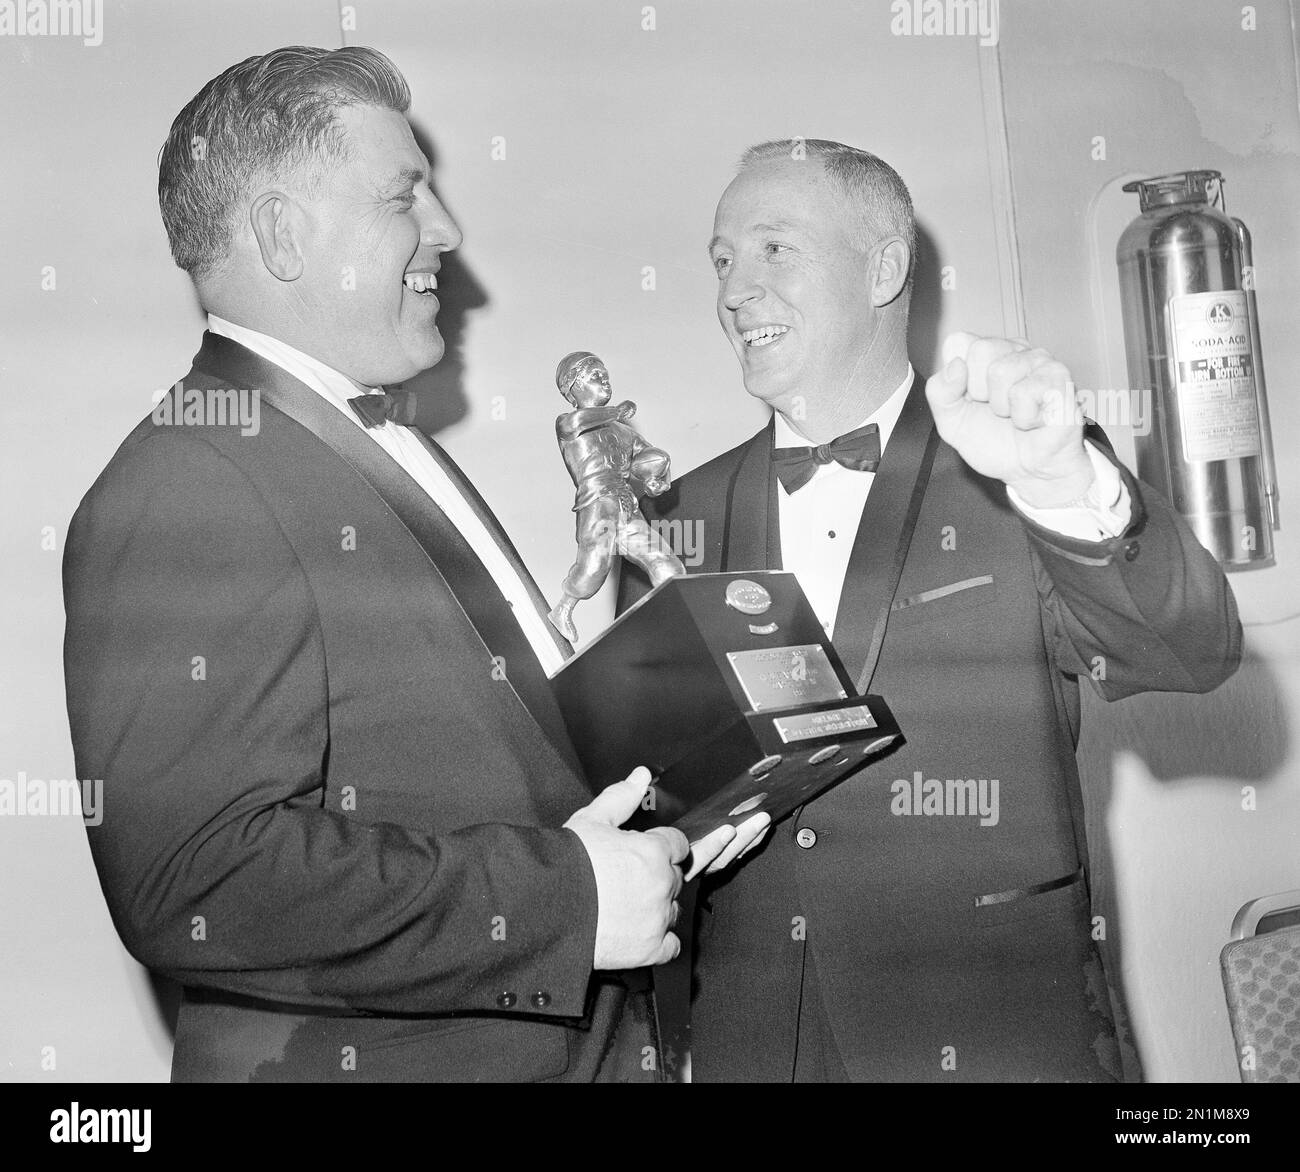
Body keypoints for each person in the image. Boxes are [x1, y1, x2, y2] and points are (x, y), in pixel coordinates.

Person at [61, 45, 763, 1083]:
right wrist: (568, 898)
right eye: (405, 198)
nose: (449, 232)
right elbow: (194, 877)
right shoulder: (187, 481)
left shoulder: (377, 443)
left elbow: (469, 776)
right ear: (283, 237)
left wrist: (669, 820)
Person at [618, 138, 1242, 1081]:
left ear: (885, 267)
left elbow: (1188, 653)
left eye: (773, 249)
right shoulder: (669, 523)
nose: (734, 291)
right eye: (721, 260)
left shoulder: (1022, 470)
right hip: (755, 1040)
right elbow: (643, 797)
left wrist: (1062, 480)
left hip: (997, 1029)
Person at [548, 351, 684, 642]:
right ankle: (563, 608)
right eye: (595, 376)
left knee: (665, 562)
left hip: (628, 506)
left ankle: (676, 624)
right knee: (593, 572)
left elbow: (649, 457)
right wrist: (617, 411)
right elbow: (574, 424)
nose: (604, 381)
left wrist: (657, 480)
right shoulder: (570, 424)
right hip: (597, 506)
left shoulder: (624, 431)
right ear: (573, 388)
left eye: (605, 375)